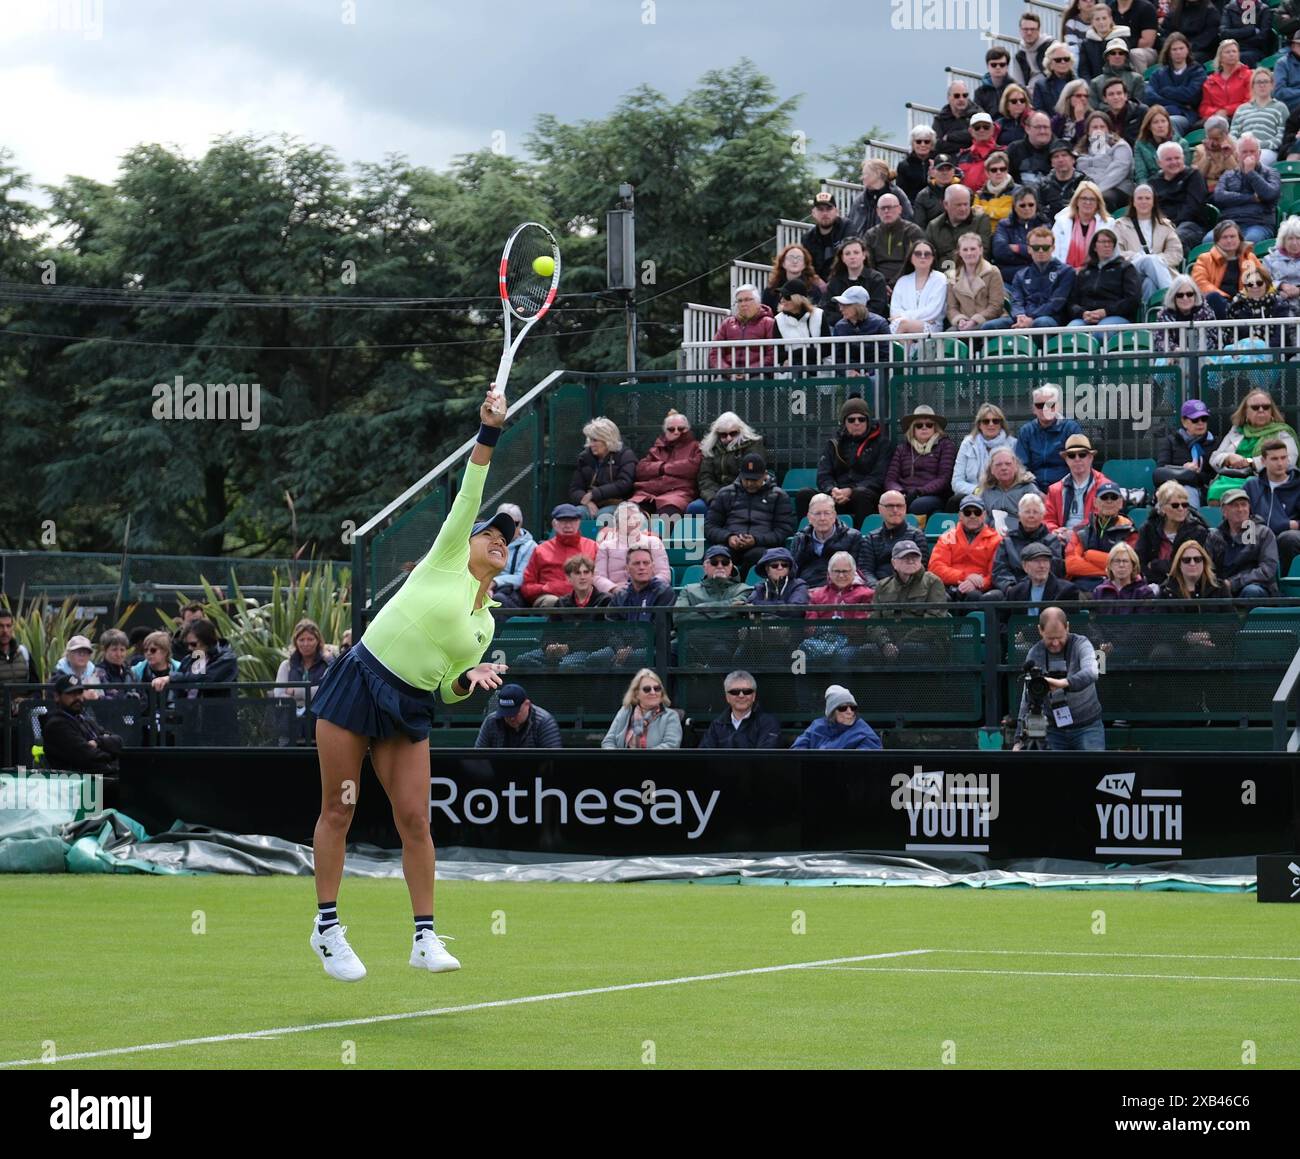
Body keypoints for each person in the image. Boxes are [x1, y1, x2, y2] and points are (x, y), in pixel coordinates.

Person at [307, 388, 510, 981]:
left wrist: (467, 682)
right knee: (339, 809)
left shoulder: (487, 621)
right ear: (465, 541)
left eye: (505, 538)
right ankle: (326, 929)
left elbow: (446, 686)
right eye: (488, 533)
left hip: (409, 707)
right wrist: (489, 432)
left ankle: (424, 937)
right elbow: (471, 490)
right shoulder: (446, 557)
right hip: (360, 680)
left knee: (415, 821)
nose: (497, 538)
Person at [1013, 607, 1105, 751]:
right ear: (1040, 630)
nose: (1055, 643)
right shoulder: (1035, 653)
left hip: (1088, 727)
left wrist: (1062, 684)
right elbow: (1027, 698)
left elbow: (1092, 672)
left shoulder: (1081, 644)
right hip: (1053, 730)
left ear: (1067, 627)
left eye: (1060, 637)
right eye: (1050, 638)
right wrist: (1018, 740)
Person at [704, 451, 796, 574]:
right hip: (729, 545)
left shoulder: (778, 496)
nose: (749, 483)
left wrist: (756, 540)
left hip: (762, 546)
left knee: (757, 556)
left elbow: (784, 530)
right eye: (746, 479)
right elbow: (709, 526)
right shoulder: (725, 493)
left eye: (754, 480)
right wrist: (728, 537)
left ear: (764, 475)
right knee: (718, 556)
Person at [1209, 389, 1299, 503]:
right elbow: (1214, 458)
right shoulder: (1236, 431)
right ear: (1246, 411)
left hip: (1263, 478)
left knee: (1249, 489)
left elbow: (1289, 461)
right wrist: (1228, 458)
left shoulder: (1282, 433)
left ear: (1271, 411)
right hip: (1230, 477)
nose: (1261, 410)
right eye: (1255, 407)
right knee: (1215, 490)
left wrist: (1251, 462)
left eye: (1266, 407)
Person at [808, 398, 889, 523]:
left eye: (861, 419)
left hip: (866, 494)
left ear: (868, 421)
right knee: (805, 495)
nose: (856, 423)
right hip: (836, 493)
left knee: (860, 494)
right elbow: (823, 474)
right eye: (851, 420)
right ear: (844, 422)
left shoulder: (881, 443)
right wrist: (832, 490)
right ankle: (808, 537)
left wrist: (851, 490)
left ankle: (862, 538)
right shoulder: (833, 444)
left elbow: (878, 477)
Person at [41, 673, 125, 774]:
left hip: (105, 775)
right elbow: (87, 756)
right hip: (81, 782)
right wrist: (113, 753)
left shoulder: (85, 719)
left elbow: (119, 741)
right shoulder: (57, 725)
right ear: (57, 697)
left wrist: (98, 743)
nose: (77, 698)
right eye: (71, 694)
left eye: (79, 693)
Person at [986, 494, 1067, 597]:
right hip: (1012, 590)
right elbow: (1000, 570)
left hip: (1044, 588)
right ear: (1019, 515)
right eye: (1027, 512)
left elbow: (1054, 569)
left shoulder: (1052, 541)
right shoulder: (1007, 541)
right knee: (992, 597)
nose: (1031, 515)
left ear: (1042, 516)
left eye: (1036, 512)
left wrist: (1026, 586)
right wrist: (1011, 587)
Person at [884, 405, 956, 518]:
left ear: (935, 428)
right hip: (905, 493)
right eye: (919, 425)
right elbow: (890, 479)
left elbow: (944, 478)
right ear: (913, 428)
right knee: (887, 503)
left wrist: (919, 492)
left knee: (918, 505)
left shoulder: (945, 445)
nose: (924, 428)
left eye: (929, 425)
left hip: (933, 495)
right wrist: (899, 492)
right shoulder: (902, 448)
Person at [1063, 481, 1137, 590]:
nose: (1109, 501)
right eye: (1104, 497)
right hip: (1083, 586)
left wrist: (1090, 555)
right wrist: (1111, 570)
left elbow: (1128, 566)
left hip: (1117, 588)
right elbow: (1071, 565)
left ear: (1121, 503)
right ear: (1095, 502)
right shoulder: (1081, 530)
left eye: (1114, 497)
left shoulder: (1130, 531)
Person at [1114, 183, 1184, 300]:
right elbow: (1116, 253)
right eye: (1140, 198)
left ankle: (1149, 315)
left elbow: (1176, 254)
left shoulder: (1165, 225)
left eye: (1147, 198)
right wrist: (1138, 257)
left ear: (1153, 202)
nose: (1143, 202)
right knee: (1148, 260)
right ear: (1133, 202)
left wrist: (1157, 260)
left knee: (1149, 283)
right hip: (1131, 268)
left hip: (1157, 270)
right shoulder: (1120, 225)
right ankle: (1173, 300)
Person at [1137, 479, 1213, 583]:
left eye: (1185, 505)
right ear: (1163, 508)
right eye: (1175, 505)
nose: (1181, 508)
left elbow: (1194, 566)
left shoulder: (1198, 531)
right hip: (1152, 584)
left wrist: (1156, 565)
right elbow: (1140, 563)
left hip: (1186, 584)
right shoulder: (1148, 529)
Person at [521, 504, 598, 607]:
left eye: (572, 521)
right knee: (553, 602)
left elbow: (599, 577)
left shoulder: (592, 546)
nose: (568, 525)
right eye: (563, 521)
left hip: (585, 596)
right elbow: (527, 587)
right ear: (554, 524)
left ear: (579, 523)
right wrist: (547, 588)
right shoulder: (541, 550)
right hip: (551, 598)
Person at [1208, 486, 1281, 594]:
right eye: (1235, 505)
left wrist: (1233, 583)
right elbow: (1208, 568)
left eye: (1244, 504)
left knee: (1252, 591)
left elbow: (1267, 569)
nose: (1240, 509)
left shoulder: (1263, 533)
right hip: (1223, 587)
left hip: (1257, 587)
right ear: (1224, 511)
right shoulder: (1214, 536)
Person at [928, 494, 1002, 600]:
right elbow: (936, 568)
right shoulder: (947, 537)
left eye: (977, 512)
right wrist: (966, 576)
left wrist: (977, 584)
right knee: (939, 596)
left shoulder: (996, 539)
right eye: (967, 512)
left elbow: (995, 574)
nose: (972, 516)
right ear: (960, 516)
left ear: (984, 515)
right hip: (950, 587)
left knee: (976, 596)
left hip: (980, 591)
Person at [1210, 133, 1280, 244]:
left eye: (1252, 151)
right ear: (1237, 155)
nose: (1248, 155)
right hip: (1229, 223)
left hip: (1258, 224)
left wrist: (1251, 173)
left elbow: (1270, 194)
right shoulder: (1228, 175)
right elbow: (1219, 197)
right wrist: (1251, 198)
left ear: (1259, 154)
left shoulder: (1271, 173)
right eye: (1244, 152)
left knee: (1249, 241)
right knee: (1208, 240)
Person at [1067, 225, 1143, 326]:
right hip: (1087, 316)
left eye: (1110, 242)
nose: (1107, 245)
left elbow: (1133, 299)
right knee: (1072, 329)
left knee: (1102, 330)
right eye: (1103, 242)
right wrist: (1082, 313)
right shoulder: (1084, 272)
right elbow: (1072, 302)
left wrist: (1106, 311)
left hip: (1116, 316)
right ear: (1094, 247)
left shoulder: (1126, 268)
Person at [1244, 439, 1300, 573]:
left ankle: (1285, 584)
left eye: (1283, 457)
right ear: (1263, 461)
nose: (1280, 463)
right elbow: (1243, 519)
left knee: (1288, 538)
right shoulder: (1251, 486)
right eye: (1274, 459)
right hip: (1258, 535)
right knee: (1248, 536)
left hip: (1290, 538)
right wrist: (1286, 524)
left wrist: (1295, 525)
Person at [632, 410, 701, 518]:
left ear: (688, 429)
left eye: (681, 429)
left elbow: (693, 467)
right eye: (671, 429)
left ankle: (655, 535)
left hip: (677, 495)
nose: (677, 432)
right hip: (647, 494)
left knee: (663, 520)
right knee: (626, 516)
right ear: (665, 431)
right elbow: (641, 469)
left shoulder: (695, 447)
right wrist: (663, 468)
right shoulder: (657, 448)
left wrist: (662, 468)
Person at [1005, 224, 1077, 328]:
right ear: (1029, 249)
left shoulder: (1066, 272)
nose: (1040, 251)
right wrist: (1020, 316)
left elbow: (1055, 304)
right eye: (1036, 247)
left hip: (1052, 318)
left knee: (1041, 323)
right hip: (1024, 318)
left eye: (1045, 247)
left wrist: (1031, 318)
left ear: (1053, 248)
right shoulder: (1021, 275)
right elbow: (1017, 301)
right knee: (991, 326)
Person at [694, 412, 768, 514]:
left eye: (733, 433)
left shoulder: (753, 446)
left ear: (740, 431)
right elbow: (705, 478)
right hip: (717, 495)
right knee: (694, 508)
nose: (729, 438)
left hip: (744, 493)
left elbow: (751, 474)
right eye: (723, 435)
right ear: (717, 435)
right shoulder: (711, 449)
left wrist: (730, 496)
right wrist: (714, 498)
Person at [273, 618, 333, 741]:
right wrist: (309, 694)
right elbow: (279, 694)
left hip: (319, 730)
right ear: (296, 642)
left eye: (310, 639)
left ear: (318, 641)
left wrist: (295, 692)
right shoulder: (286, 665)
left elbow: (325, 693)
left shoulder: (327, 664)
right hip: (290, 730)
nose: (306, 644)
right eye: (301, 640)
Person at [789, 493, 865, 588]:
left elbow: (857, 571)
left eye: (827, 513)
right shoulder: (800, 539)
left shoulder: (853, 537)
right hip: (805, 590)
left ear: (834, 516)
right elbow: (793, 572)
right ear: (809, 517)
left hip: (837, 589)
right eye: (817, 513)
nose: (822, 518)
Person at [1150, 140, 1213, 254]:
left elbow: (1193, 207)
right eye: (1169, 159)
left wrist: (1170, 225)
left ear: (1183, 158)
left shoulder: (1194, 176)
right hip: (1161, 226)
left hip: (1191, 225)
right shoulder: (1153, 183)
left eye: (1177, 158)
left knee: (1173, 239)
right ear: (1159, 163)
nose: (1174, 162)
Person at [595, 501, 670, 594]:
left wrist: (647, 587)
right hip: (615, 596)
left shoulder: (654, 542)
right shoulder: (606, 546)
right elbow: (598, 577)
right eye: (627, 518)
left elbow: (664, 574)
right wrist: (614, 589)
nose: (632, 522)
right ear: (617, 523)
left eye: (635, 518)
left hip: (649, 593)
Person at [1153, 398, 1219, 504]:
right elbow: (1160, 472)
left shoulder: (1215, 443)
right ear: (1184, 422)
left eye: (1204, 419)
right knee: (1183, 491)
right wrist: (1183, 470)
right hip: (1173, 489)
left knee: (1189, 491)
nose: (1200, 423)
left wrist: (1195, 474)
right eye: (1195, 420)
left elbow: (1215, 475)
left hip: (1204, 491)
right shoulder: (1170, 441)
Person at [568, 417, 638, 516]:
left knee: (604, 515)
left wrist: (594, 494)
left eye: (595, 440)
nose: (591, 444)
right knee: (576, 514)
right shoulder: (584, 458)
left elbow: (624, 484)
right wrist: (588, 502)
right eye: (590, 440)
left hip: (619, 503)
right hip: (590, 503)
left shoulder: (625, 455)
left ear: (608, 440)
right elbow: (575, 489)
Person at [1019, 384, 1084, 490]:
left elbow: (1080, 463)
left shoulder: (1071, 429)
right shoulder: (1026, 431)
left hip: (1067, 487)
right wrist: (1034, 490)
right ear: (1034, 409)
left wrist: (1058, 491)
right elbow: (1021, 467)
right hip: (1034, 489)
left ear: (1058, 407)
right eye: (1040, 405)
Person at [952, 404, 1019, 506]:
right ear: (979, 424)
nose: (991, 424)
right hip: (974, 494)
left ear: (1001, 424)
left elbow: (1018, 476)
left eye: (995, 421)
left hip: (1003, 493)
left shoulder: (1013, 444)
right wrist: (978, 491)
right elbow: (956, 482)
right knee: (954, 502)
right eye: (986, 421)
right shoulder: (967, 444)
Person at [1045, 434, 1113, 533]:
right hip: (1060, 541)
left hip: (1092, 540)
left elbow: (1101, 519)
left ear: (1090, 458)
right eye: (1072, 456)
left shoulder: (1104, 487)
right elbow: (1047, 519)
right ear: (1066, 460)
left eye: (1082, 455)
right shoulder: (1055, 490)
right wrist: (1055, 531)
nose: (1077, 459)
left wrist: (1075, 534)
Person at [858, 490, 931, 582]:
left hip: (909, 589)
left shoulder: (917, 536)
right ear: (880, 509)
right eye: (890, 506)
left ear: (905, 508)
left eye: (899, 506)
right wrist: (879, 589)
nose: (895, 510)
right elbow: (865, 571)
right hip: (878, 591)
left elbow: (920, 569)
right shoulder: (870, 539)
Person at [697, 671, 782, 749]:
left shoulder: (768, 723)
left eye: (747, 691)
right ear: (727, 697)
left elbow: (765, 759)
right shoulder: (717, 725)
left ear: (754, 696)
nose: (741, 695)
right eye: (735, 692)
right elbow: (704, 758)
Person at [820, 237, 889, 331]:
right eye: (847, 253)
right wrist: (845, 321)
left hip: (871, 328)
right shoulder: (835, 281)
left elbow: (877, 308)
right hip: (840, 328)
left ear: (864, 255)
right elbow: (827, 309)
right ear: (842, 258)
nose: (852, 256)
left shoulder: (876, 279)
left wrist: (853, 317)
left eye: (856, 252)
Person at [601, 669, 682, 749]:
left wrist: (641, 758)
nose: (653, 692)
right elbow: (608, 741)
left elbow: (671, 745)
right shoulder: (625, 711)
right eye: (647, 689)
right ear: (636, 694)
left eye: (657, 688)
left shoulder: (671, 716)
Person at [1146, 31, 1209, 133]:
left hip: (1186, 115)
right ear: (1169, 52)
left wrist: (1166, 91)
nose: (1178, 52)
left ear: (1187, 50)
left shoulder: (1198, 71)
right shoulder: (1158, 74)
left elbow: (1191, 95)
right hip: (1161, 114)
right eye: (1174, 49)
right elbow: (1149, 96)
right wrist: (1175, 105)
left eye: (1181, 48)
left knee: (1169, 122)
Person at [708, 284, 776, 376]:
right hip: (728, 374)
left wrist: (749, 371)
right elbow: (714, 353)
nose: (743, 304)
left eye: (747, 299)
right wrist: (728, 371)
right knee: (716, 386)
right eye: (739, 301)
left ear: (758, 303)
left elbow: (772, 355)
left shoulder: (768, 323)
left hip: (758, 374)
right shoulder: (727, 323)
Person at [947, 231, 1009, 331]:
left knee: (980, 329)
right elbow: (951, 307)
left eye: (973, 249)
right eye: (965, 249)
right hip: (965, 321)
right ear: (959, 252)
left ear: (980, 250)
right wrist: (960, 320)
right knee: (950, 333)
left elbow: (996, 305)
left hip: (990, 321)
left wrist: (974, 321)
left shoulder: (992, 272)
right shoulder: (952, 276)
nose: (969, 253)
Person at [1075, 111, 1135, 212]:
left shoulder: (1120, 146)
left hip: (1118, 188)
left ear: (1109, 129)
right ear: (1088, 131)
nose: (1099, 130)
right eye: (1094, 127)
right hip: (1089, 189)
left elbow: (1117, 172)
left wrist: (1095, 192)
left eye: (1102, 127)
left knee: (1104, 198)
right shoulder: (1081, 149)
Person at [790, 684, 882, 750]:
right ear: (832, 712)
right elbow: (797, 750)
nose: (849, 712)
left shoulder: (863, 731)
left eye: (853, 707)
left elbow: (865, 761)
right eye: (843, 708)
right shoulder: (817, 726)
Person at [925, 184, 994, 271]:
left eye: (966, 204)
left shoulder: (981, 220)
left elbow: (982, 254)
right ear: (946, 204)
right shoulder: (934, 227)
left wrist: (946, 260)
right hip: (943, 277)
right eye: (958, 205)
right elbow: (929, 259)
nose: (963, 209)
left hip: (975, 274)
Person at [675, 545, 754, 619]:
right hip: (696, 633)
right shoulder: (688, 591)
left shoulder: (744, 590)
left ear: (731, 567)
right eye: (714, 562)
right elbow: (678, 616)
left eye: (725, 562)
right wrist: (728, 610)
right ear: (704, 567)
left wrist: (698, 609)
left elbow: (739, 611)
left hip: (732, 633)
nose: (720, 566)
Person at [474, 683, 562, 749]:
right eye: (507, 714)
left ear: (527, 704)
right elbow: (478, 757)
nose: (511, 718)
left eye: (515, 713)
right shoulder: (491, 721)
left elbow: (553, 761)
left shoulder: (543, 721)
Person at [864, 194, 925, 288]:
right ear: (877, 211)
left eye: (890, 207)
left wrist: (894, 284)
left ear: (899, 209)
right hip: (877, 283)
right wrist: (880, 283)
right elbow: (868, 264)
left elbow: (912, 263)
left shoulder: (912, 231)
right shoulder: (870, 235)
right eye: (883, 208)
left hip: (908, 281)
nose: (886, 211)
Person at [1000, 540, 1081, 609]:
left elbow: (1071, 623)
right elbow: (1002, 621)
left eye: (1045, 561)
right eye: (1036, 561)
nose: (1042, 566)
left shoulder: (1067, 590)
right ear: (1024, 566)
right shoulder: (1015, 592)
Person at [976, 447, 1044, 529]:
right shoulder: (986, 491)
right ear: (991, 470)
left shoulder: (1028, 489)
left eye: (1008, 464)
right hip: (991, 537)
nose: (1004, 468)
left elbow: (1037, 518)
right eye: (998, 465)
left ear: (1016, 467)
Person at [1231, 69, 1289, 165]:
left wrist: (1256, 146)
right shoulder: (1242, 109)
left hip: (1266, 151)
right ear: (1252, 86)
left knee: (1256, 161)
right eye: (1258, 82)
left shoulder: (1280, 108)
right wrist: (1243, 147)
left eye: (1266, 81)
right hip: (1242, 150)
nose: (1262, 85)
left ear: (1272, 85)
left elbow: (1282, 136)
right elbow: (1232, 134)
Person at [1053, 180, 1116, 267]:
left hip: (1096, 273)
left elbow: (1113, 255)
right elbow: (1054, 253)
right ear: (1077, 201)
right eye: (1084, 198)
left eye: (1092, 199)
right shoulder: (1061, 222)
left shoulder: (1108, 224)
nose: (1088, 202)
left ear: (1098, 203)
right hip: (1065, 273)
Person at [1158, 539, 1232, 613]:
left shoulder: (1219, 587)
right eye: (1186, 560)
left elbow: (1232, 621)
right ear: (1179, 564)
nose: (1192, 563)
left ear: (1204, 562)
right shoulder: (1166, 590)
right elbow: (1160, 622)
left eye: (1197, 559)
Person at [845, 159, 914, 237]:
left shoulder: (897, 195)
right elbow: (850, 227)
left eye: (865, 174)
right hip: (862, 246)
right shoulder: (859, 200)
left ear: (877, 174)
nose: (862, 178)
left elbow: (908, 221)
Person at [891, 241, 948, 336]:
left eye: (927, 254)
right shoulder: (902, 281)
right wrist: (902, 318)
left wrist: (903, 316)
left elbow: (933, 311)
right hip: (903, 325)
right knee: (902, 326)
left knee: (902, 325)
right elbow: (894, 311)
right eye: (918, 253)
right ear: (911, 258)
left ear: (933, 258)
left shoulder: (940, 278)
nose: (922, 256)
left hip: (933, 327)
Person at [992, 186, 1049, 278]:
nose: (1027, 208)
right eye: (1022, 205)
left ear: (1036, 206)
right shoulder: (1004, 225)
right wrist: (1029, 251)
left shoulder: (1044, 224)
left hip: (1037, 275)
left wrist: (1018, 248)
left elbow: (1044, 253)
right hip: (1008, 276)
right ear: (1014, 207)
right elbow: (999, 252)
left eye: (1031, 205)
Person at [1154, 273, 1220, 351]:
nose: (1185, 298)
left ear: (1195, 295)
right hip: (1174, 359)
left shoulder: (1206, 312)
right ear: (1173, 297)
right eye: (1180, 295)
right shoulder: (1164, 315)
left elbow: (1212, 339)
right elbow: (1160, 340)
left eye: (1189, 294)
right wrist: (1174, 349)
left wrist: (1194, 352)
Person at [828, 285, 891, 368]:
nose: (841, 309)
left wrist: (870, 372)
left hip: (876, 373)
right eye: (840, 305)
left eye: (846, 305)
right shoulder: (840, 327)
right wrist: (848, 371)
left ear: (858, 306)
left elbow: (885, 356)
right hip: (849, 375)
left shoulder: (880, 324)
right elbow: (838, 357)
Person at [488, 504, 536, 610]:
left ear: (521, 523)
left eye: (515, 523)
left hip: (514, 593)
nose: (509, 527)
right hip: (486, 586)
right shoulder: (487, 541)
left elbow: (521, 577)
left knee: (498, 600)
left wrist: (494, 582)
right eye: (504, 523)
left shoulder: (530, 546)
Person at [609, 545, 676, 620]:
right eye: (636, 563)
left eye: (646, 563)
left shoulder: (664, 592)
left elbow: (661, 628)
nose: (642, 567)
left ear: (653, 567)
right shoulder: (619, 597)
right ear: (627, 568)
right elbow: (612, 628)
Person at [1226, 265, 1287, 346]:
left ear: (1267, 284)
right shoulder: (1237, 304)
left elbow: (1280, 337)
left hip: (1273, 353)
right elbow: (1230, 335)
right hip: (1243, 353)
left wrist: (1262, 347)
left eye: (1259, 283)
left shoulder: (1278, 304)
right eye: (1250, 284)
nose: (1255, 286)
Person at [772, 280, 826, 369]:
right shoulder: (778, 320)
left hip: (820, 372)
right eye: (781, 296)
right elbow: (779, 355)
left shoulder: (819, 315)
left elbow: (827, 349)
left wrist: (792, 355)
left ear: (798, 298)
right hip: (790, 375)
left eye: (787, 296)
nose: (782, 300)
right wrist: (805, 352)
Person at [1134, 106, 1192, 186]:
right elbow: (1141, 175)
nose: (1160, 125)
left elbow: (1185, 173)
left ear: (1169, 124)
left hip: (1177, 187)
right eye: (1155, 122)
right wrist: (1146, 190)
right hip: (1152, 187)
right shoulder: (1140, 145)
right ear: (1149, 126)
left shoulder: (1181, 144)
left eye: (1163, 121)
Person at [761, 245, 826, 314]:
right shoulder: (772, 288)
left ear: (804, 264)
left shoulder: (813, 289)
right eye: (791, 258)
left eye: (799, 258)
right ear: (783, 263)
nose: (795, 261)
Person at [1201, 39, 1254, 121]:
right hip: (1216, 118)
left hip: (1242, 116)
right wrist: (1217, 112)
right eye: (1228, 52)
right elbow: (1204, 108)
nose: (1231, 54)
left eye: (1234, 51)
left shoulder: (1248, 75)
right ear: (1220, 57)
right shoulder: (1210, 81)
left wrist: (1227, 110)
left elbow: (1250, 102)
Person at [802, 191, 851, 280]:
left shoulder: (847, 228)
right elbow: (807, 267)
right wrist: (816, 280)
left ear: (836, 211)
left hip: (843, 280)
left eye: (829, 209)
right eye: (820, 209)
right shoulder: (807, 238)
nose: (825, 213)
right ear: (813, 213)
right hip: (817, 285)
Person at [1160, 0, 1225, 66]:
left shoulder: (1211, 12)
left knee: (1188, 59)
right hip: (1175, 49)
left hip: (1201, 51)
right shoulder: (1174, 12)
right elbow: (1165, 34)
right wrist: (1173, 47)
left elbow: (1208, 37)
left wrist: (1186, 48)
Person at [744, 546, 811, 611]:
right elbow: (749, 606)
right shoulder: (760, 587)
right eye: (774, 566)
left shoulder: (799, 585)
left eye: (784, 565)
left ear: (789, 568)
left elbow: (795, 610)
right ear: (767, 570)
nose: (780, 568)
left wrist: (758, 605)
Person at [0, 609, 39, 715]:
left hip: (22, 721)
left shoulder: (23, 653)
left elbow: (37, 689)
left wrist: (27, 700)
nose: (5, 630)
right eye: (1, 626)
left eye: (8, 626)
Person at [1039, 135, 1085, 223]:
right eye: (1056, 156)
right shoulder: (1043, 184)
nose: (1060, 160)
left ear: (1073, 160)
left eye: (1064, 155)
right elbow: (1040, 210)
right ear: (1051, 163)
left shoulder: (1084, 182)